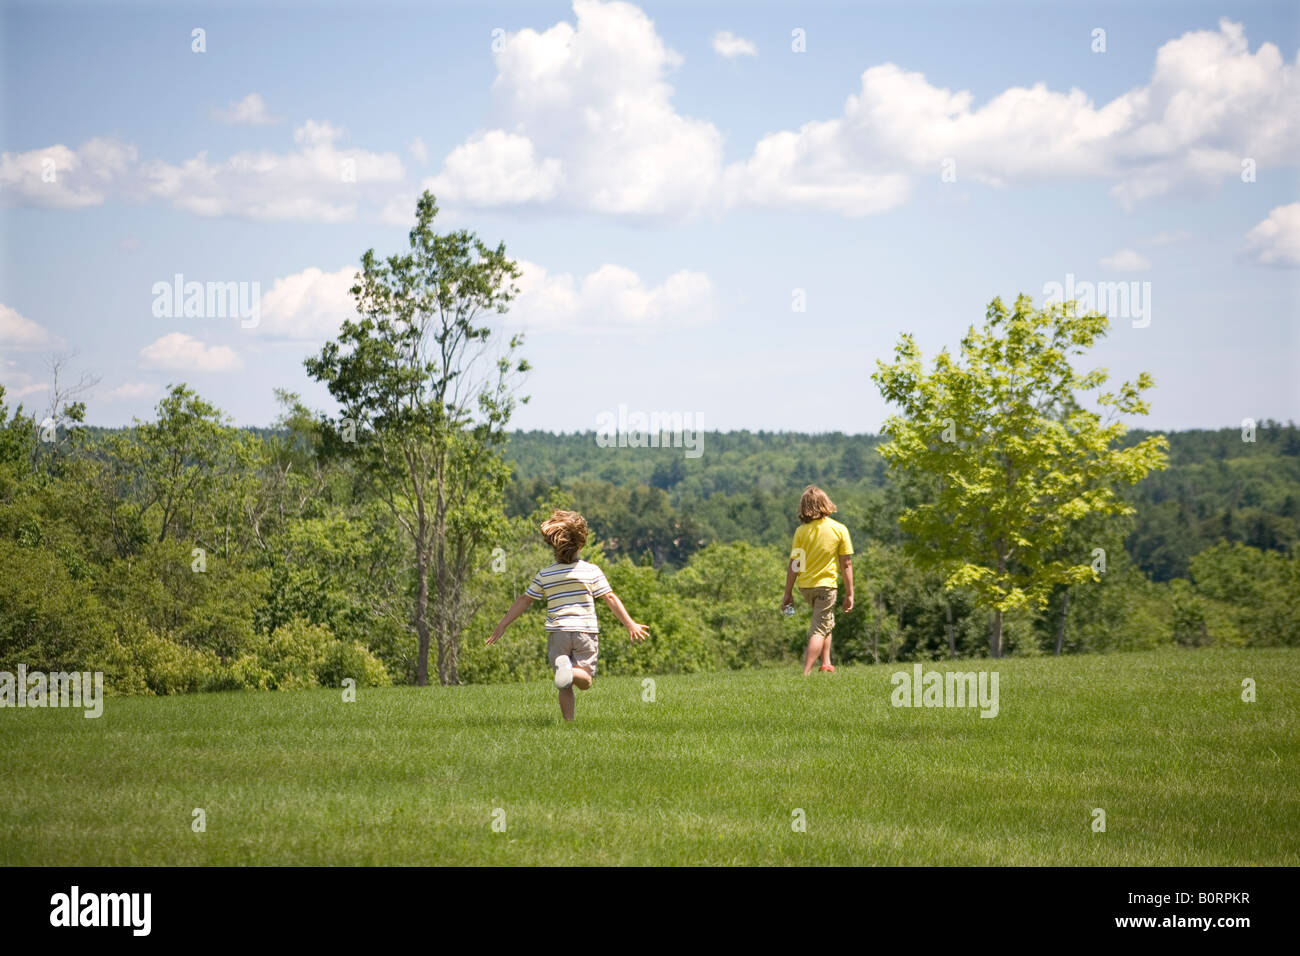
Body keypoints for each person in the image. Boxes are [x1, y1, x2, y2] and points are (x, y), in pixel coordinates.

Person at [485, 509, 650, 721]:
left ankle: (569, 723)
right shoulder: (590, 571)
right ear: (581, 543)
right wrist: (630, 624)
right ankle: (571, 673)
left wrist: (503, 624)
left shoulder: (546, 574)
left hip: (558, 633)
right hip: (584, 631)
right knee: (585, 680)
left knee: (563, 684)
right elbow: (610, 598)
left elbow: (524, 600)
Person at [782, 485, 854, 675]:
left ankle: (826, 663)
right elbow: (846, 564)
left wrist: (788, 593)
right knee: (819, 629)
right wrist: (850, 593)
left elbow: (795, 564)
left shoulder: (800, 532)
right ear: (826, 504)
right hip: (826, 587)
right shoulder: (839, 529)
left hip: (806, 587)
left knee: (825, 621)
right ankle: (806, 673)